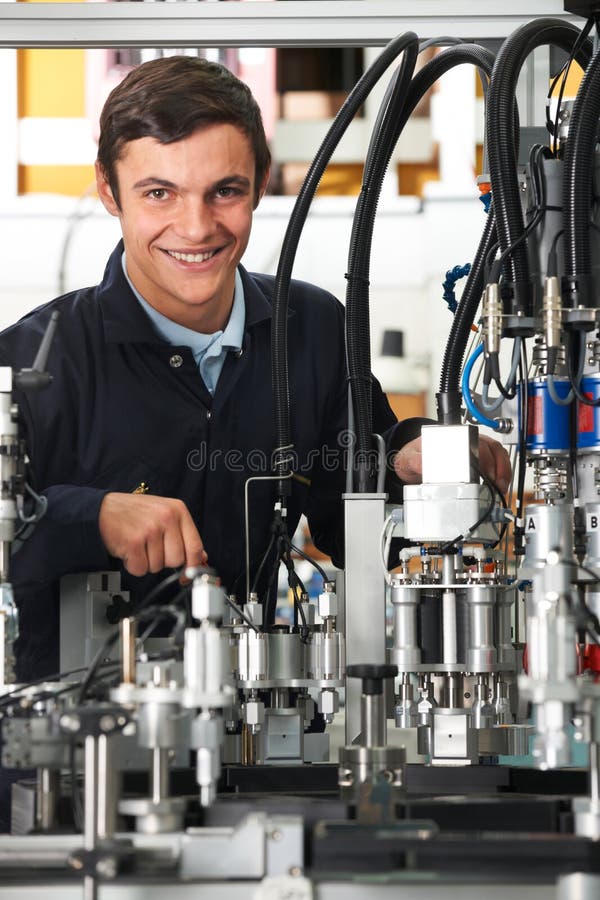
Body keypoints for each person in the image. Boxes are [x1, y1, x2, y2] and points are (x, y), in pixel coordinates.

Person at [0, 54, 511, 683]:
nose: (197, 226)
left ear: (260, 182)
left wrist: (418, 459)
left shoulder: (314, 330)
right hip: (73, 750)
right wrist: (93, 515)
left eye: (225, 191)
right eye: (159, 192)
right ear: (109, 190)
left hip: (256, 730)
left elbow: (356, 496)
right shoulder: (36, 359)